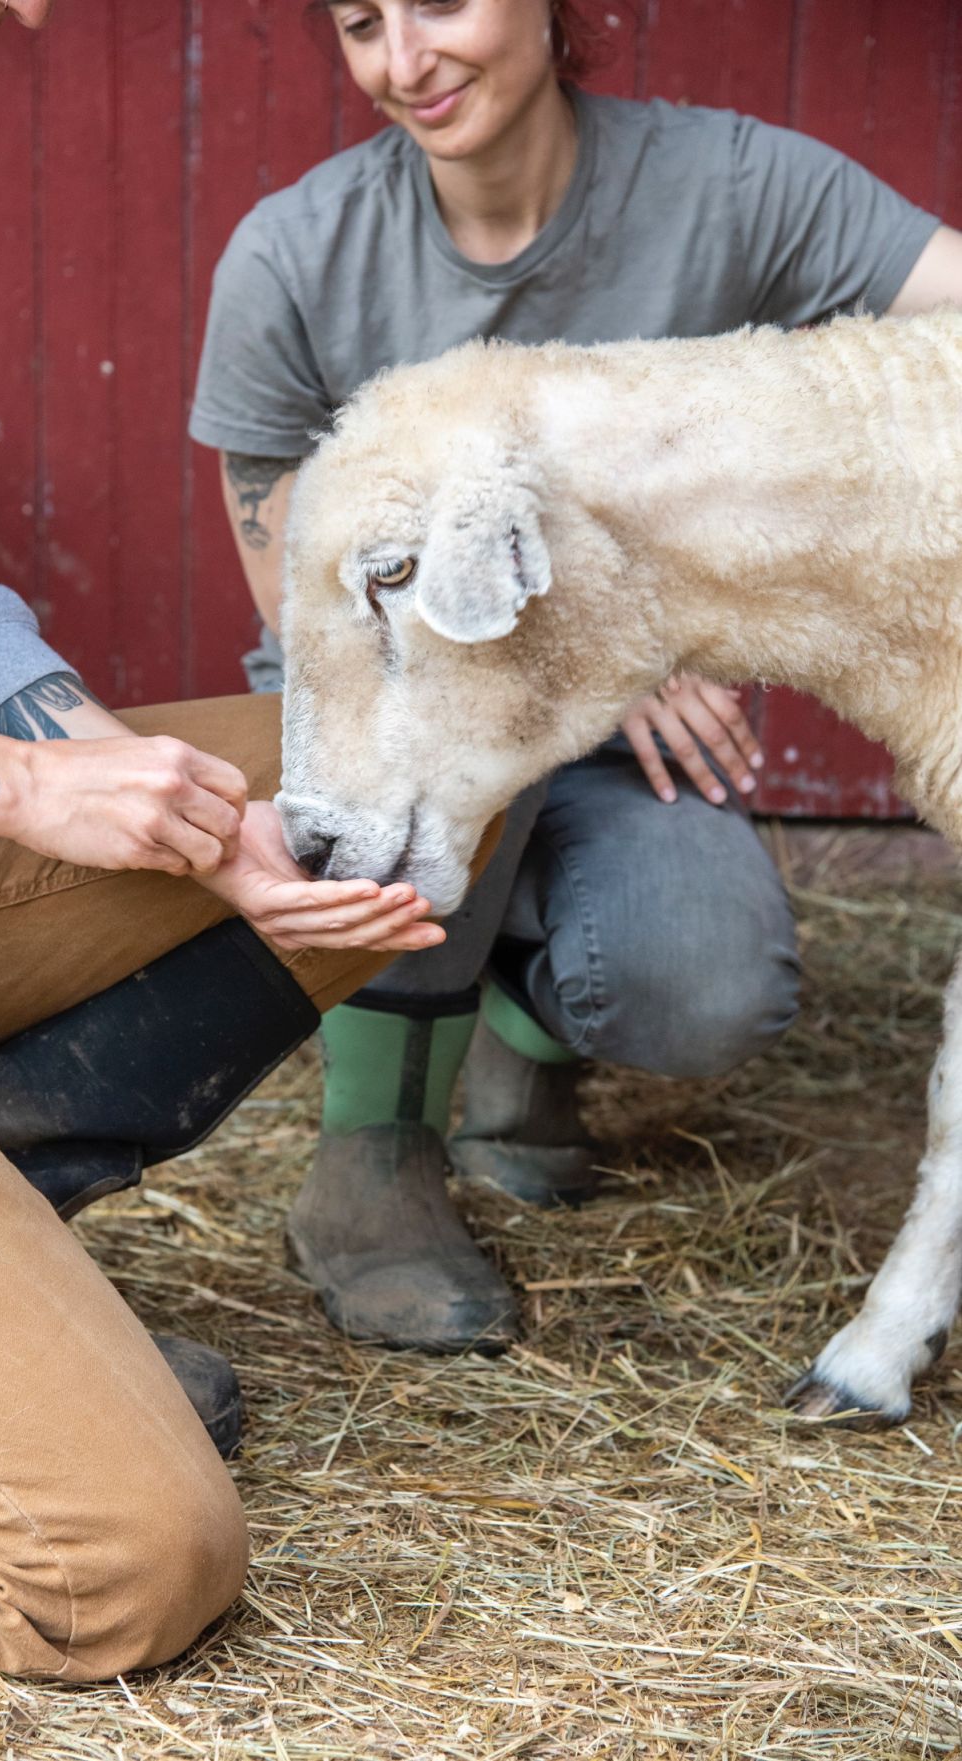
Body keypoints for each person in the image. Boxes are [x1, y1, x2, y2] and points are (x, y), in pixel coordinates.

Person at [0, 0, 461, 1681]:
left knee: (395, 788)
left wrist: (135, 792)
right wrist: (10, 790)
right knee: (130, 1564)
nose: (27, 14)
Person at [192, 0, 962, 1354]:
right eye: (362, 24)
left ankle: (520, 1038)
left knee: (707, 977)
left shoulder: (736, 186)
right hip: (402, 706)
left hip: (617, 730)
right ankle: (372, 1158)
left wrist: (631, 625)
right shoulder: (297, 255)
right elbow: (308, 602)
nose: (404, 61)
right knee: (414, 765)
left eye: (441, 4)